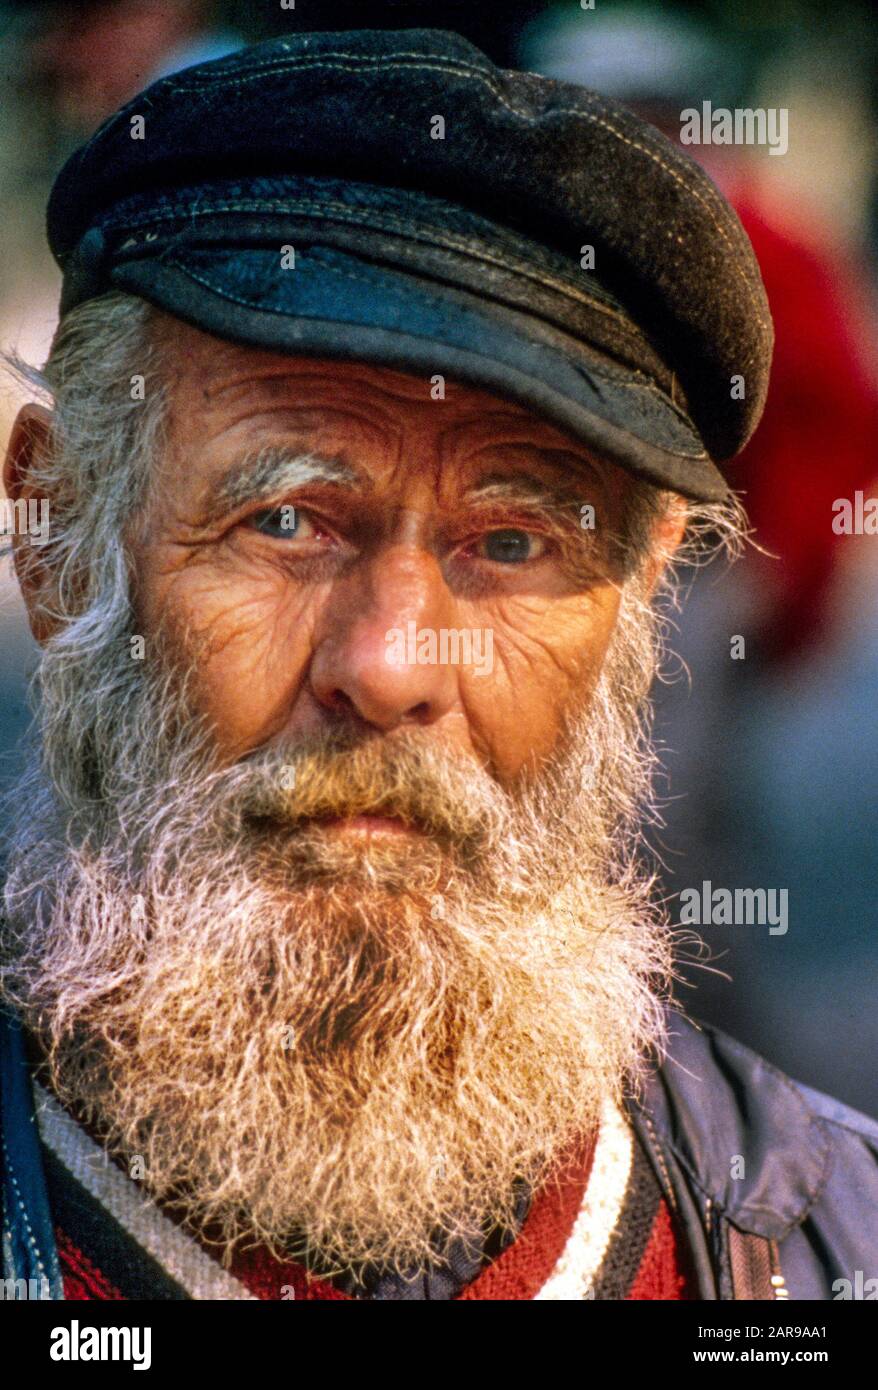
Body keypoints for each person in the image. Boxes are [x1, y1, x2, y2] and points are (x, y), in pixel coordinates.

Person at [1, 28, 875, 1302]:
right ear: (59, 539)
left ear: (642, 592)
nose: (394, 665)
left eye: (512, 541)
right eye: (284, 518)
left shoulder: (825, 1253)